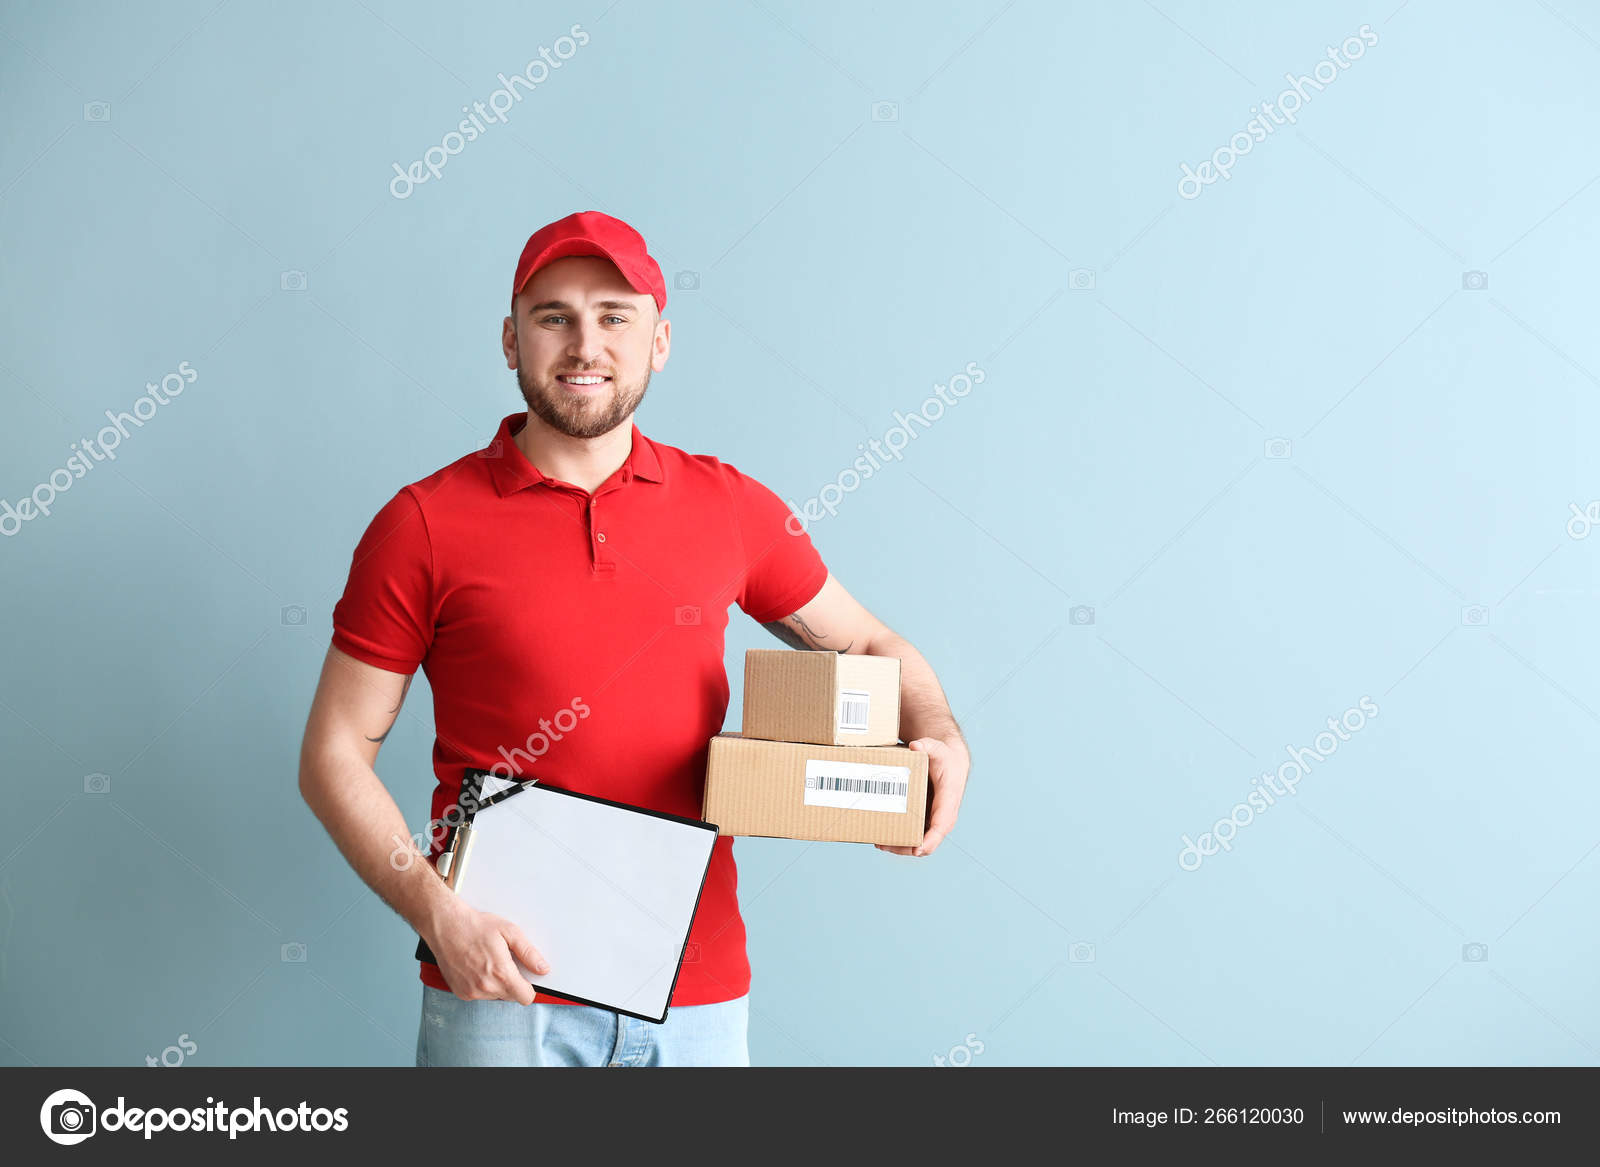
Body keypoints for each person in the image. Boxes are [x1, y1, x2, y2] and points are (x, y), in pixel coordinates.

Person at [297, 210, 971, 1067]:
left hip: (698, 1000)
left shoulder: (728, 507)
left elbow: (872, 646)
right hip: (500, 992)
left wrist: (941, 736)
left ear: (659, 341)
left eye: (615, 316)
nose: (586, 345)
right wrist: (438, 914)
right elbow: (332, 753)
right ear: (511, 340)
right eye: (555, 317)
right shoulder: (422, 525)